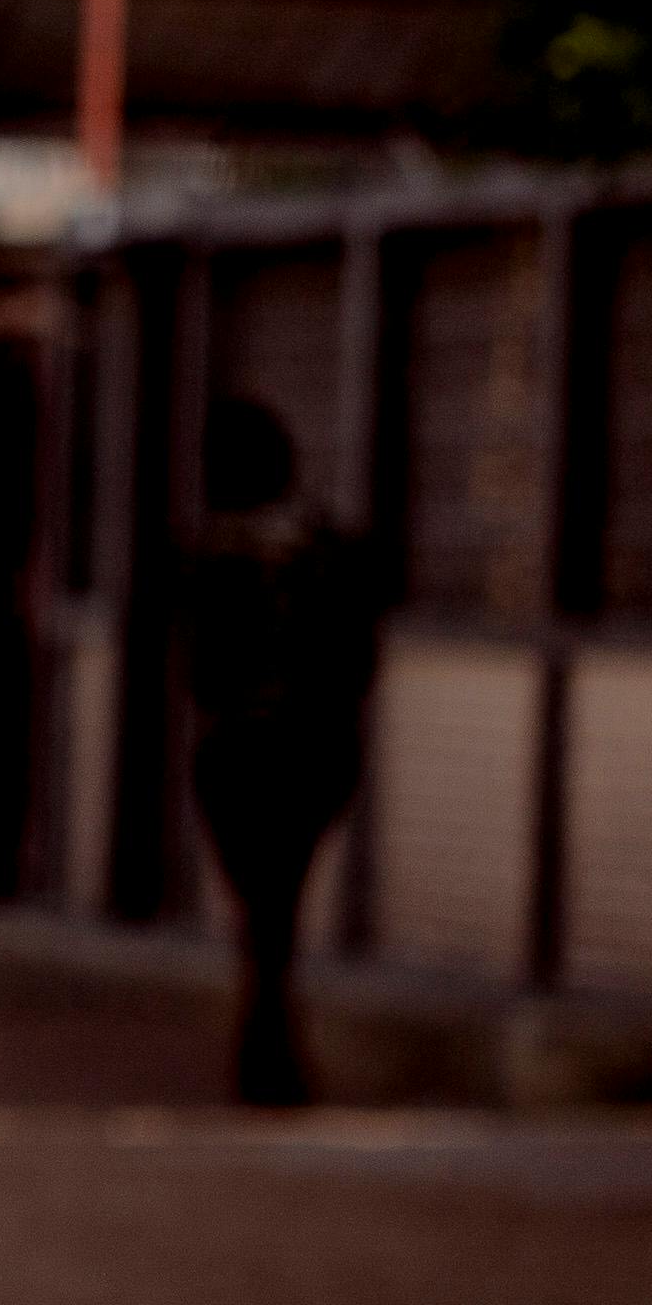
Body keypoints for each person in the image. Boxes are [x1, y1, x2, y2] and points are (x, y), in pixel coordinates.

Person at [167, 395, 391, 1110]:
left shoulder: (212, 556)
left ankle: (267, 1048)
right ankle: (270, 1049)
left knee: (263, 911)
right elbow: (360, 654)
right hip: (310, 752)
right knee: (275, 907)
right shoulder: (323, 547)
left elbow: (200, 670)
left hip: (241, 755)